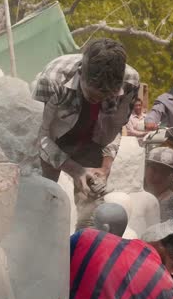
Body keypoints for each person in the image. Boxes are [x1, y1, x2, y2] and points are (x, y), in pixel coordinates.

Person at [33, 38, 141, 195]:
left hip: (92, 140)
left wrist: (105, 167)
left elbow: (115, 128)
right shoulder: (53, 79)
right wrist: (76, 170)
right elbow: (39, 136)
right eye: (92, 95)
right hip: (52, 141)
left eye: (106, 96)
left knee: (91, 200)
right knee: (46, 195)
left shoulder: (130, 82)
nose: (98, 101)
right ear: (80, 73)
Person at [144, 147, 173, 222]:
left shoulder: (172, 202)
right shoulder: (139, 196)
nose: (157, 176)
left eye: (164, 171)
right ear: (145, 169)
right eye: (153, 169)